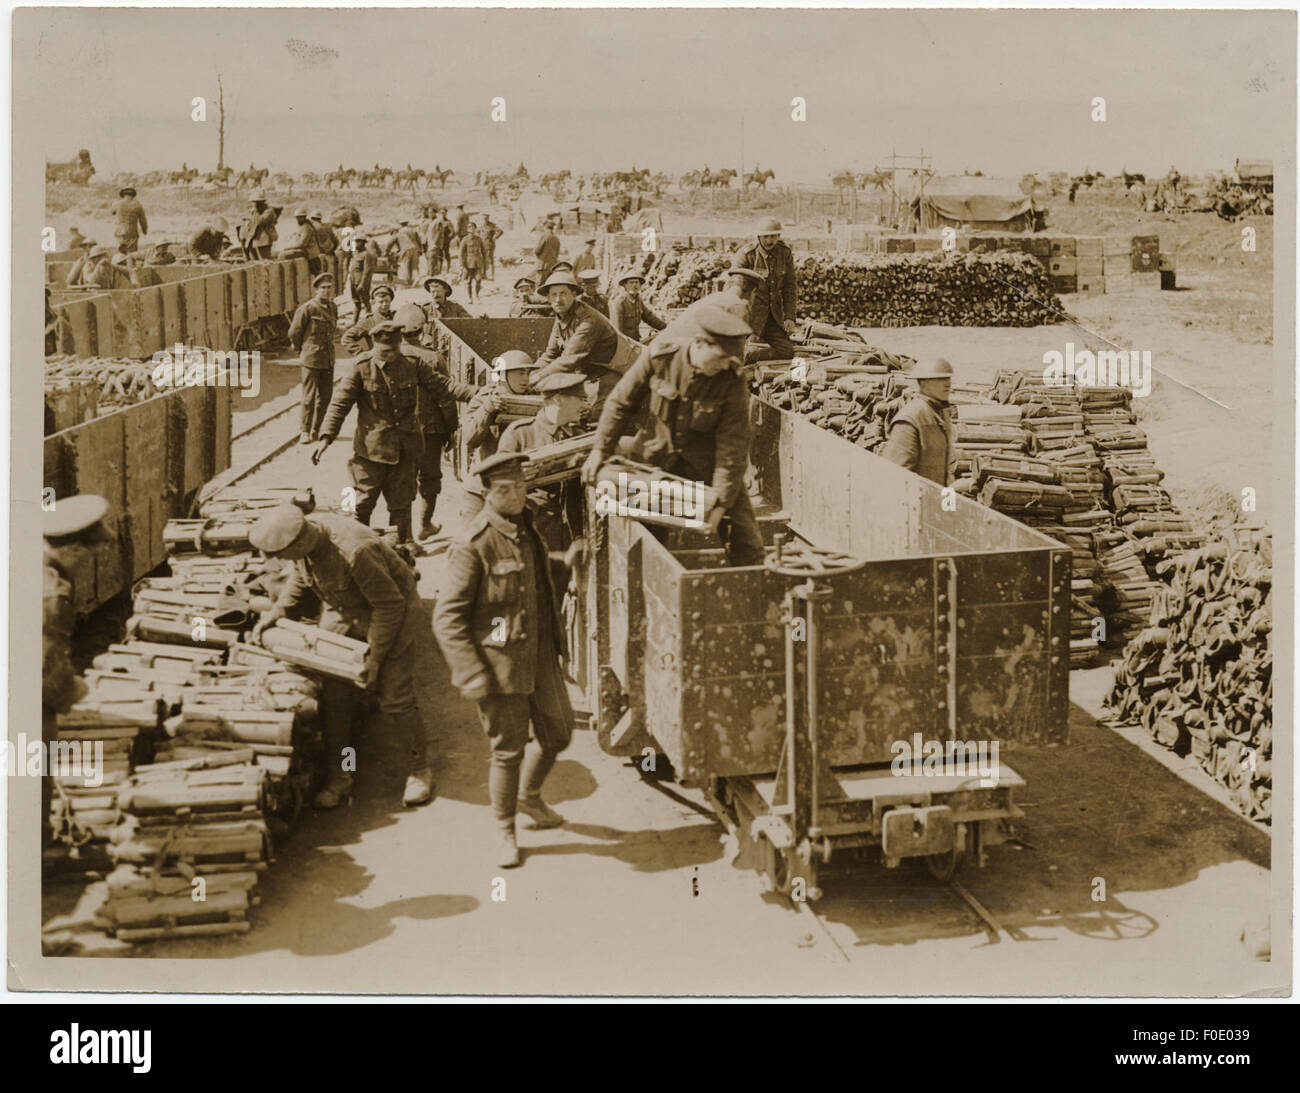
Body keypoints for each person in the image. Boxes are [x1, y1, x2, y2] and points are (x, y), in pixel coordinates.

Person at [432, 451, 574, 869]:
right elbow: (448, 618)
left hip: (540, 656)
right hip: (500, 666)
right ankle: (503, 829)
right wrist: (472, 673)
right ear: (488, 494)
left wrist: (564, 563)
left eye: (521, 487)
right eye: (504, 490)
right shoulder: (472, 544)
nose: (515, 496)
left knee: (559, 734)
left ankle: (529, 796)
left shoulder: (527, 529)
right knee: (507, 751)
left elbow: (531, 576)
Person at [248, 506, 434, 809]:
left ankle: (419, 769)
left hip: (392, 612)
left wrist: (373, 659)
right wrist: (278, 612)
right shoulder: (305, 543)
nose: (284, 560)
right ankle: (343, 772)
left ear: (299, 542)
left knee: (395, 697)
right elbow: (300, 578)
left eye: (285, 553)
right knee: (337, 696)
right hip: (344, 608)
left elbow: (389, 607)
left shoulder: (355, 551)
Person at [581, 305, 764, 567]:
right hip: (654, 460)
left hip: (706, 467)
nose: (725, 365)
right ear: (700, 344)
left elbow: (733, 445)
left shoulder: (730, 378)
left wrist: (720, 502)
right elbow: (620, 403)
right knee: (643, 538)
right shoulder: (661, 356)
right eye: (721, 358)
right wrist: (600, 450)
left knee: (747, 541)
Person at [314, 319, 442, 545]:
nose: (389, 355)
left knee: (402, 503)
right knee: (361, 503)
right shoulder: (361, 367)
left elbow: (443, 386)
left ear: (400, 345)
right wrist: (326, 437)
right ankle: (359, 545)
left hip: (405, 450)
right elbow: (339, 404)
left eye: (394, 350)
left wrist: (478, 393)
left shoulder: (413, 364)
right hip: (370, 451)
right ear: (374, 346)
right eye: (384, 351)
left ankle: (403, 545)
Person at [396, 305, 475, 538]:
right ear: (422, 330)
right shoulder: (433, 358)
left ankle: (405, 533)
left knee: (404, 479)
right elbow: (446, 398)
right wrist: (451, 430)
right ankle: (425, 524)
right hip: (430, 431)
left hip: (400, 430)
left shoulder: (392, 357)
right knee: (430, 478)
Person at [531, 271, 627, 408]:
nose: (558, 299)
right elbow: (550, 354)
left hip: (613, 372)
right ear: (548, 298)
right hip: (590, 373)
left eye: (563, 293)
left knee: (586, 414)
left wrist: (536, 378)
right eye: (554, 294)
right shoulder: (562, 316)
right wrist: (531, 372)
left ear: (574, 295)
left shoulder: (588, 320)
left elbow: (569, 360)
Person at [879, 358, 956, 485]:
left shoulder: (940, 413)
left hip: (933, 498)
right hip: (915, 500)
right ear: (924, 383)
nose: (948, 384)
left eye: (948, 378)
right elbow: (896, 476)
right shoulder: (909, 419)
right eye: (941, 379)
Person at [734, 217, 798, 361]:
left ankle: (750, 357)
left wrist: (789, 316)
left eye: (773, 236)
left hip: (772, 317)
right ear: (758, 236)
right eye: (766, 237)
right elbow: (734, 287)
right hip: (749, 317)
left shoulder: (784, 253)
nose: (769, 241)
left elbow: (790, 286)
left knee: (787, 351)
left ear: (779, 236)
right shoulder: (746, 255)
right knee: (732, 353)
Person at [288, 273, 339, 444]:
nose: (326, 291)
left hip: (328, 358)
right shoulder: (308, 308)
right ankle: (305, 431)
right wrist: (301, 348)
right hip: (311, 358)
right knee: (308, 397)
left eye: (329, 288)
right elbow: (294, 332)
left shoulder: (333, 307)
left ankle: (316, 429)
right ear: (316, 290)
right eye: (322, 288)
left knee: (325, 397)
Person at [608, 272, 667, 342]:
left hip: (636, 341)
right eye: (631, 282)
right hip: (624, 343)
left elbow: (649, 318)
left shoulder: (638, 300)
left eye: (637, 282)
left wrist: (667, 328)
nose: (634, 285)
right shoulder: (619, 303)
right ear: (625, 286)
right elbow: (617, 332)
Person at [341, 282, 396, 355]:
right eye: (381, 302)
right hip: (378, 361)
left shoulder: (397, 317)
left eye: (387, 301)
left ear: (391, 301)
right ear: (374, 302)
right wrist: (363, 354)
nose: (384, 305)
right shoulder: (369, 321)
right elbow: (346, 339)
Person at [347, 233, 377, 320]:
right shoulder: (355, 254)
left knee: (366, 302)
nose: (355, 244)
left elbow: (367, 271)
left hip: (361, 282)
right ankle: (354, 322)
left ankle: (370, 320)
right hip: (353, 281)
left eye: (357, 242)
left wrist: (362, 284)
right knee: (356, 302)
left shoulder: (366, 255)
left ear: (363, 243)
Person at [110, 186, 148, 254]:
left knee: (121, 254)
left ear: (123, 195)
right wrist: (144, 231)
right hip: (132, 233)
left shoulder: (117, 204)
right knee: (132, 255)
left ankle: (120, 263)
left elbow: (112, 212)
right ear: (133, 195)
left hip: (119, 233)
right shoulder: (138, 205)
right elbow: (143, 221)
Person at [242, 191, 279, 259]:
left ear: (262, 202)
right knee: (254, 260)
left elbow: (260, 221)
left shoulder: (269, 211)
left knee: (265, 260)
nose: (255, 204)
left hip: (265, 239)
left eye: (258, 202)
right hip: (255, 239)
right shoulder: (256, 211)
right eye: (254, 202)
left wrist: (253, 216)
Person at [459, 225, 487, 303]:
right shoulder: (465, 240)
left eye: (473, 228)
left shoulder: (479, 239)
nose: (471, 229)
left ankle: (477, 295)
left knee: (478, 279)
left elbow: (484, 252)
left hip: (478, 263)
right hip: (468, 263)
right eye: (470, 228)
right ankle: (470, 298)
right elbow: (461, 254)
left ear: (475, 229)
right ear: (468, 230)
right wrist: (462, 265)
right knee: (468, 281)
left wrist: (485, 263)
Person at [426, 209, 452, 276]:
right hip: (436, 243)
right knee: (438, 257)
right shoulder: (433, 222)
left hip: (443, 242)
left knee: (446, 255)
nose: (442, 214)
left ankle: (447, 270)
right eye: (441, 213)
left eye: (444, 213)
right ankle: (437, 271)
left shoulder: (447, 222)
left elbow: (451, 232)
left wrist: (448, 239)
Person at [396, 220, 422, 285]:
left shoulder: (400, 232)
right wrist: (420, 249)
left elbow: (398, 243)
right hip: (415, 249)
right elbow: (418, 240)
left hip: (406, 250)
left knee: (407, 266)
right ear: (407, 223)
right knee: (415, 266)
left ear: (400, 224)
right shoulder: (413, 230)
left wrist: (399, 250)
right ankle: (416, 280)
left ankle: (409, 282)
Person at [482, 216, 503, 280]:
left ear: (488, 218)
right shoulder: (481, 225)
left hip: (489, 245)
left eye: (486, 217)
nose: (485, 219)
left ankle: (491, 275)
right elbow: (478, 232)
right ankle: (484, 275)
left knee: (490, 260)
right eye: (483, 218)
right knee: (483, 260)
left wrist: (495, 237)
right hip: (482, 245)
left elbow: (500, 231)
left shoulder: (492, 225)